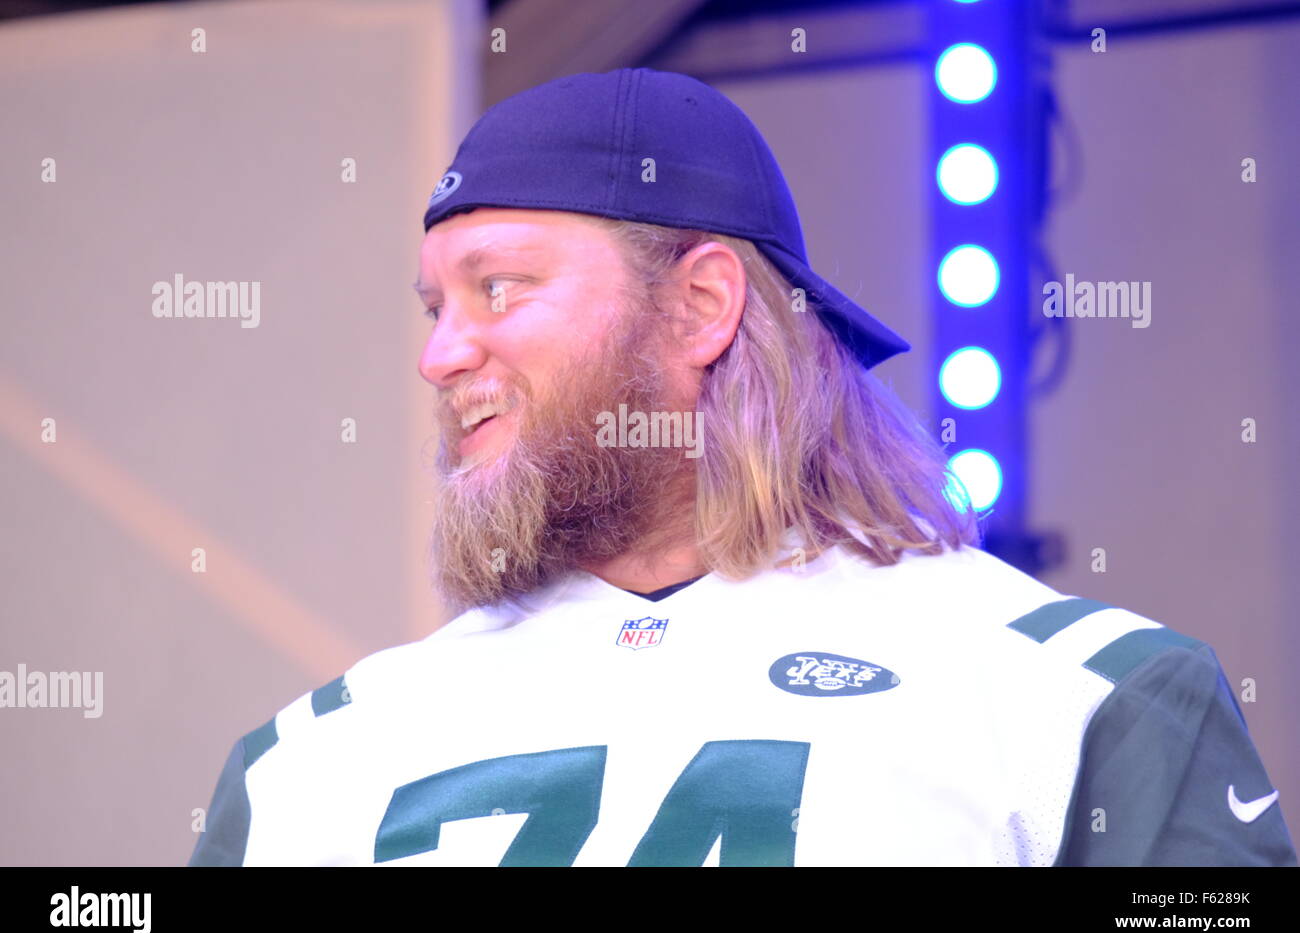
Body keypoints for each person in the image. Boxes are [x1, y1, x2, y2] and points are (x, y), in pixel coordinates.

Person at [189, 68, 1295, 866]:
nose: (440, 354)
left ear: (702, 304)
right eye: (436, 306)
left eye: (500, 287)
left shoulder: (1088, 699)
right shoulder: (304, 758)